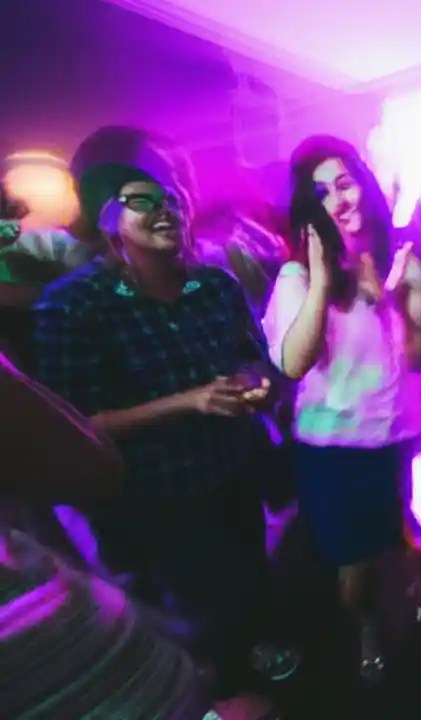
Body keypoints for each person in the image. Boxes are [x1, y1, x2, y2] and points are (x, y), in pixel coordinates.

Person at [31, 144, 278, 702]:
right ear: (108, 222)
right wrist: (187, 402)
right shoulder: (73, 306)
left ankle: (257, 666)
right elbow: (76, 424)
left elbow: (253, 356)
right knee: (192, 622)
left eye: (170, 196)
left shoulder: (214, 285)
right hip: (155, 502)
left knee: (249, 585)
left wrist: (254, 381)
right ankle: (218, 693)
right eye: (141, 201)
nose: (165, 208)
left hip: (234, 471)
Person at [264, 134, 421, 684]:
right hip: (331, 449)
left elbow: (420, 354)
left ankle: (409, 597)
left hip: (391, 437)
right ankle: (363, 628)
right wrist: (317, 275)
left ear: (363, 186)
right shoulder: (296, 277)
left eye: (344, 182)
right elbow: (293, 362)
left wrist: (390, 301)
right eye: (321, 191)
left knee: (391, 531)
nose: (338, 198)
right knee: (350, 558)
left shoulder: (400, 263)